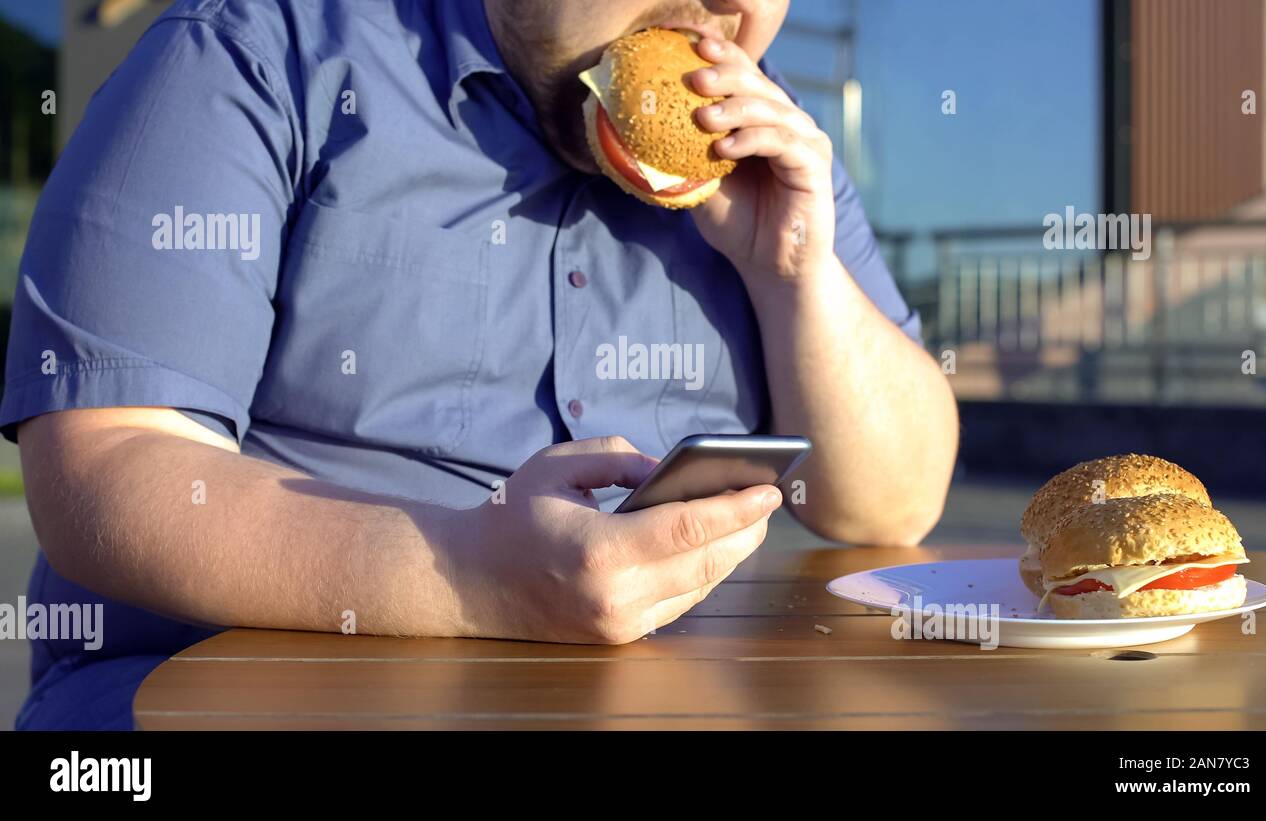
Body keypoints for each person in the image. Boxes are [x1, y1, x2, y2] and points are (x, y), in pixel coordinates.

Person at [0, 0, 957, 730]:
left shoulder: (769, 146)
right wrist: (469, 573)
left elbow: (892, 505)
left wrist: (792, 272)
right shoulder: (259, 50)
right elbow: (106, 464)